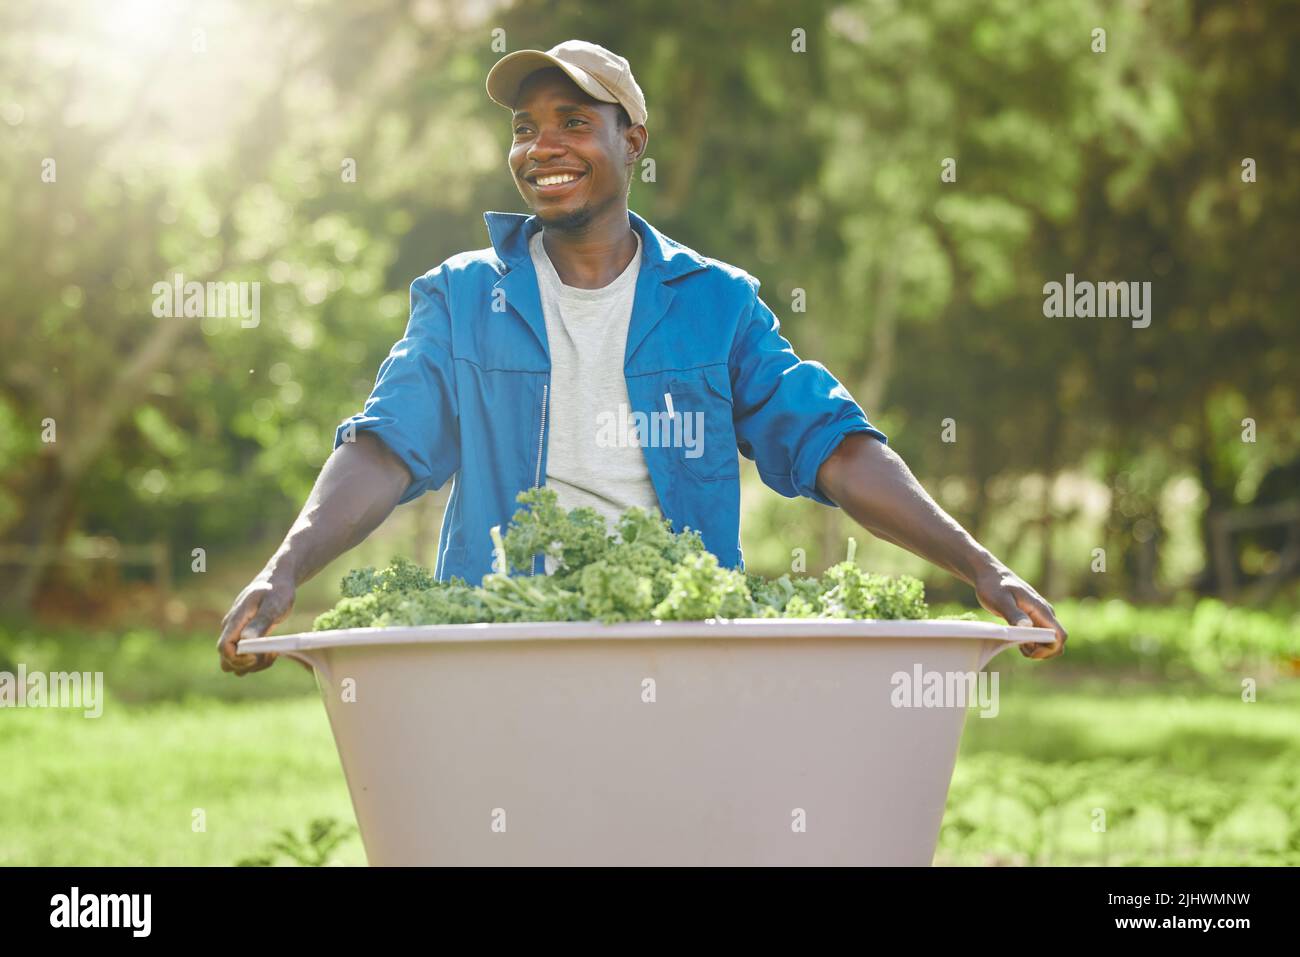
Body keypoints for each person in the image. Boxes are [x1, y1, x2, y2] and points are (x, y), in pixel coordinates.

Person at [219, 40, 1067, 676]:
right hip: (499, 644)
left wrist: (980, 568)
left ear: (634, 142)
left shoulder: (716, 302)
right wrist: (283, 568)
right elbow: (383, 447)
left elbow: (832, 446)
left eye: (575, 123)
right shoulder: (464, 298)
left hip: (680, 647)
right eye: (525, 128)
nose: (541, 146)